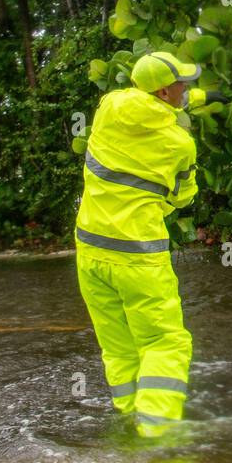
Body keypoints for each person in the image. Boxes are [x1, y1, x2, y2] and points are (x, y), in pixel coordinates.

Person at [75, 51, 201, 438]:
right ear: (165, 92)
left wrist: (196, 102)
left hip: (90, 253)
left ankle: (129, 422)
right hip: (139, 256)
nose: (187, 88)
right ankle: (158, 436)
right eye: (183, 84)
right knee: (164, 343)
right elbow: (183, 198)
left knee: (119, 347)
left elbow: (149, 105)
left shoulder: (108, 109)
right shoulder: (179, 144)